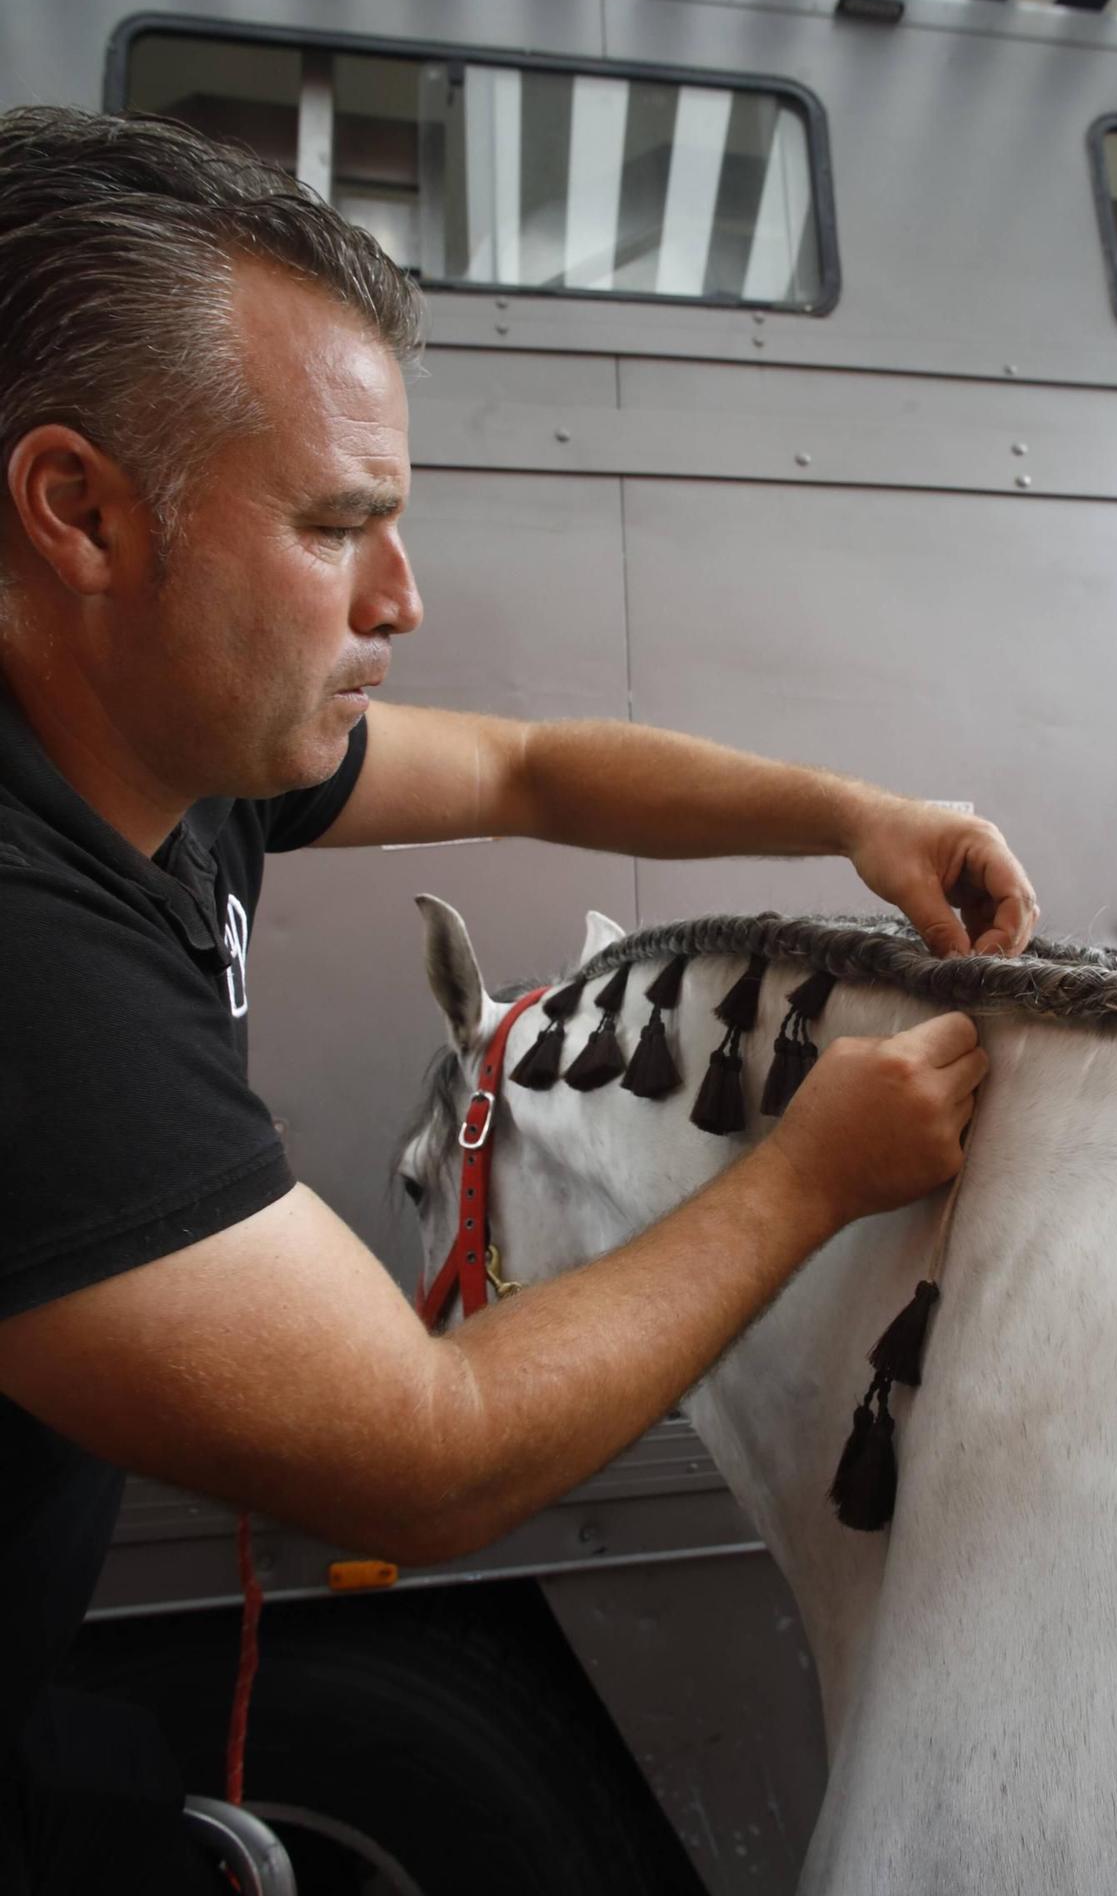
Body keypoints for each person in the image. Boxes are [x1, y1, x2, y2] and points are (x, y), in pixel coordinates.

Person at [0, 106, 1037, 1888]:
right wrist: (804, 1171)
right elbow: (428, 1455)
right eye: (341, 526)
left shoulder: (176, 750)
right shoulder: (23, 941)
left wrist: (848, 813)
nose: (403, 599)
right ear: (80, 511)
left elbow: (540, 767)